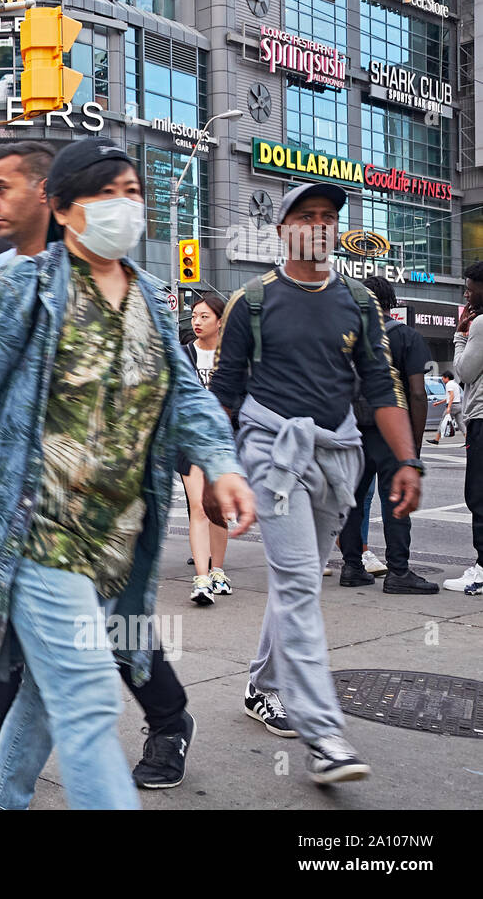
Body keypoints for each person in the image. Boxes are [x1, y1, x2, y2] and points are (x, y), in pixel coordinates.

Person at [0, 138, 255, 810]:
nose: (125, 206)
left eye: (133, 192)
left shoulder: (148, 293)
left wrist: (221, 464)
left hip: (115, 543)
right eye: (106, 193)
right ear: (62, 207)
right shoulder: (23, 283)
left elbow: (186, 395)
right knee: (86, 697)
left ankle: (2, 798)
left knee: (43, 696)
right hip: (39, 534)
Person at [210, 181, 422, 782]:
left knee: (298, 580)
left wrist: (407, 461)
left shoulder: (358, 301)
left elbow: (381, 389)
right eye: (307, 216)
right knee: (302, 582)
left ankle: (262, 684)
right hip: (273, 450)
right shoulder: (252, 300)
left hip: (339, 453)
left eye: (329, 216)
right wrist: (213, 470)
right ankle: (324, 735)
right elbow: (223, 393)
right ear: (281, 230)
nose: (320, 225)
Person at [336, 276, 434, 594]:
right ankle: (399, 572)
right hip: (393, 431)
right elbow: (418, 395)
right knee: (396, 501)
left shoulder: (345, 339)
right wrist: (413, 449)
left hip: (353, 431)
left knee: (352, 502)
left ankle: (351, 567)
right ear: (392, 303)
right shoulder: (407, 336)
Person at [182, 294, 233, 606]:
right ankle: (201, 577)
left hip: (223, 442)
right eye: (194, 317)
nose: (197, 322)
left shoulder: (231, 357)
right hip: (189, 440)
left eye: (204, 317)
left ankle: (218, 570)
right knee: (199, 506)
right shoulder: (183, 354)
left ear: (220, 321)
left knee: (219, 509)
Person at [444, 262, 483, 592]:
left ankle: (482, 569)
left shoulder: (480, 324)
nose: (466, 292)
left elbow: (465, 372)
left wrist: (459, 335)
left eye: (470, 286)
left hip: (482, 417)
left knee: (478, 494)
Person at [428, 369, 462, 444]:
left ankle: (436, 440)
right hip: (458, 405)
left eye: (443, 378)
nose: (442, 380)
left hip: (452, 406)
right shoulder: (455, 384)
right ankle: (467, 440)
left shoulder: (449, 384)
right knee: (461, 424)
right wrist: (439, 402)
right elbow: (449, 397)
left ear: (447, 378)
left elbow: (452, 396)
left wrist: (449, 407)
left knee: (443, 422)